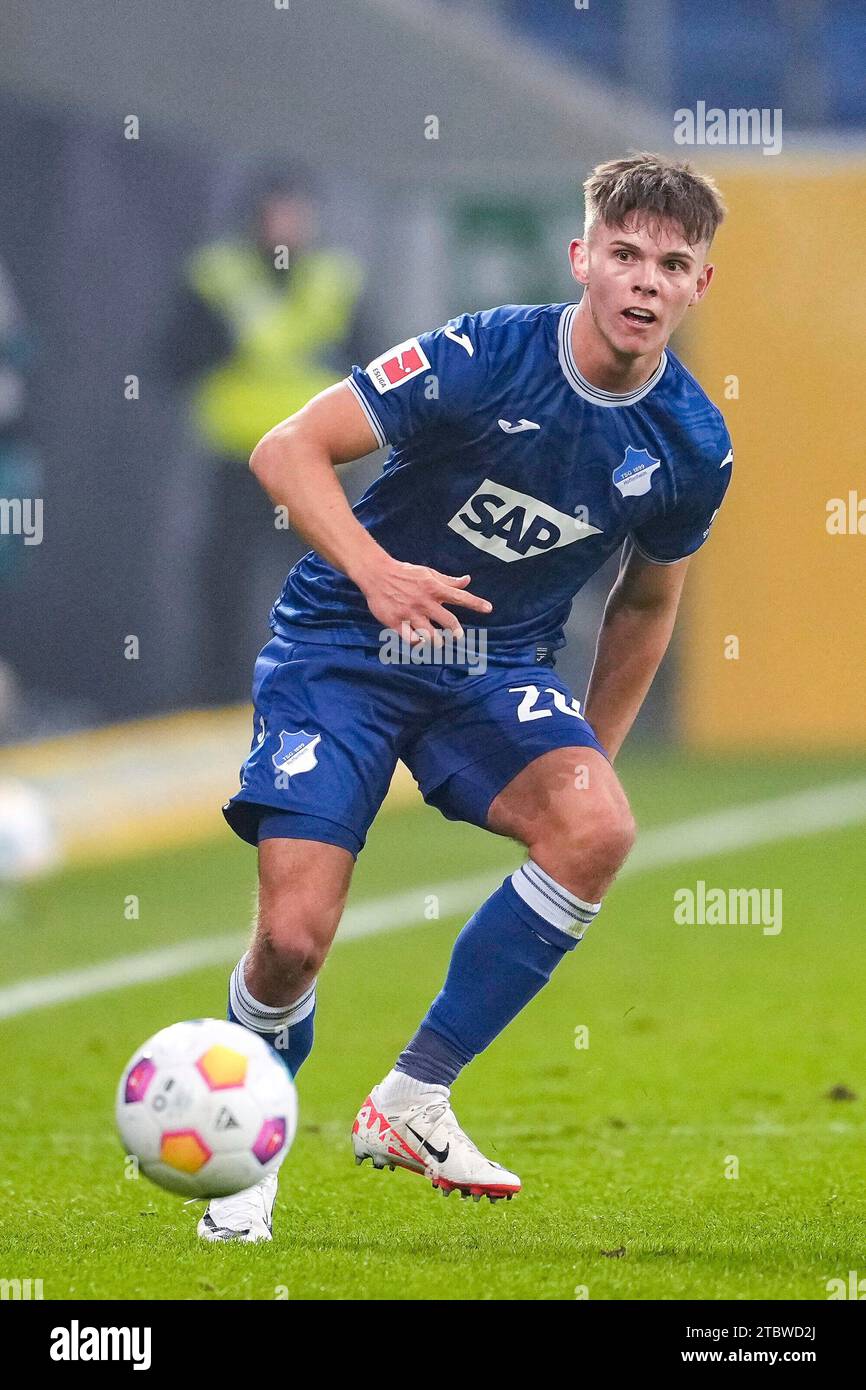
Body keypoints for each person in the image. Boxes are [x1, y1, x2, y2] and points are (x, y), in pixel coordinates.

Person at [197, 154, 733, 1241]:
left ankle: (411, 1098)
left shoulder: (690, 445)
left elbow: (643, 606)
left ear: (697, 287)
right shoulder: (483, 354)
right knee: (294, 937)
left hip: (490, 670)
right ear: (581, 258)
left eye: (670, 264)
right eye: (623, 255)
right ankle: (249, 1145)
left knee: (596, 829)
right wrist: (374, 572)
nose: (642, 281)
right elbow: (285, 448)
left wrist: (593, 757)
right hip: (345, 645)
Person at [159, 165, 368, 703]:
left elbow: (375, 367)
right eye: (277, 211)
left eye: (296, 212)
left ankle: (327, 684)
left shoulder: (334, 279)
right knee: (223, 581)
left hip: (317, 460)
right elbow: (173, 360)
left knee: (332, 575)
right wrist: (224, 346)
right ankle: (220, 695)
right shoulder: (218, 276)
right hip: (240, 457)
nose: (286, 225)